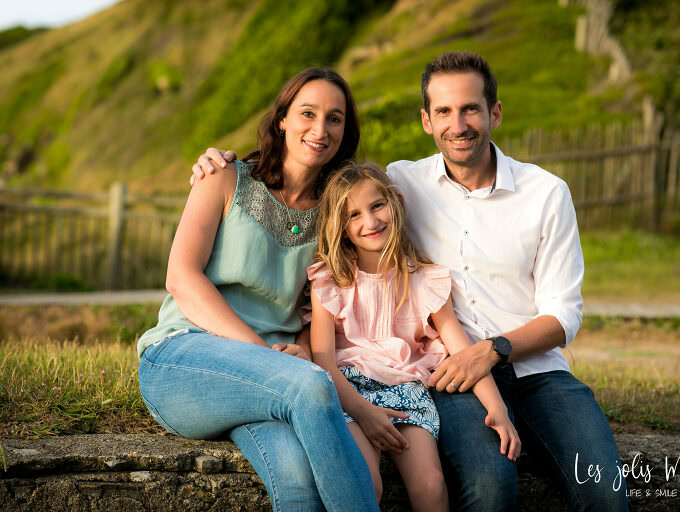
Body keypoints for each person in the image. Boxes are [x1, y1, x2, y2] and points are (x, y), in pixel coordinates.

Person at [192, 52, 629, 511]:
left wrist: (491, 351)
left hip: (535, 372)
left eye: (470, 109)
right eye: (443, 111)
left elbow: (564, 315)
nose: (457, 124)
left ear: (494, 112)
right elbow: (340, 182)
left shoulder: (546, 193)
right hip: (446, 377)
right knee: (487, 488)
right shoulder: (401, 180)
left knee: (606, 492)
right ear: (426, 120)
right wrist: (223, 162)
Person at [137, 68, 379, 512]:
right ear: (283, 118)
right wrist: (264, 356)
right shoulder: (225, 177)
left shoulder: (336, 214)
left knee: (297, 482)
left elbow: (320, 307)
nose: (320, 129)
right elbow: (181, 277)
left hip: (272, 384)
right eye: (307, 113)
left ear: (346, 132)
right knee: (311, 385)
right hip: (183, 359)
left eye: (334, 119)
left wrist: (302, 349)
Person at [307, 161, 520, 511]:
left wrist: (497, 409)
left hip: (408, 392)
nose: (371, 222)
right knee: (365, 483)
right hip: (348, 391)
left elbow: (462, 351)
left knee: (431, 486)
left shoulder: (425, 279)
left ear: (396, 204)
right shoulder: (330, 281)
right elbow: (324, 362)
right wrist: (363, 411)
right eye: (354, 215)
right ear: (341, 229)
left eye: (377, 206)